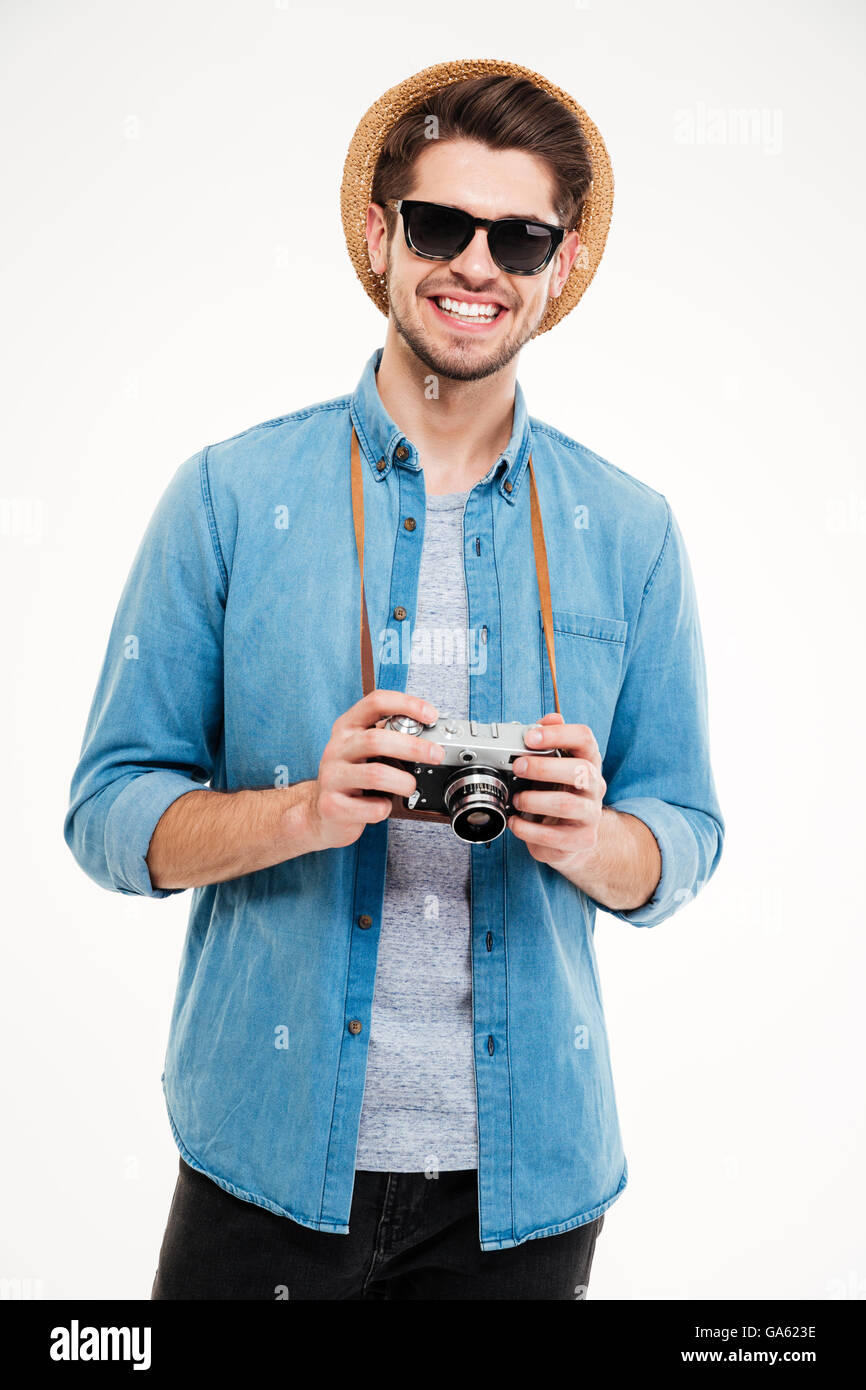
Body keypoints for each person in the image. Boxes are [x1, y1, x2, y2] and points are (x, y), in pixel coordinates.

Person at [63, 58, 724, 1300]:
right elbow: (105, 815)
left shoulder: (629, 532)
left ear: (559, 266)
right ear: (380, 236)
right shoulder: (227, 498)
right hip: (260, 1164)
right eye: (439, 224)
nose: (476, 265)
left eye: (518, 236)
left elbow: (682, 832)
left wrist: (591, 842)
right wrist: (302, 813)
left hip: (522, 1197)